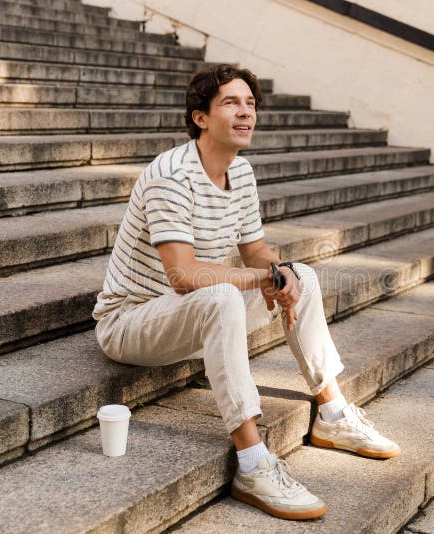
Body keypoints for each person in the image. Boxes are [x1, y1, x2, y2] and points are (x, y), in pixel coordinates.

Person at [93, 64, 400, 520]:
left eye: (251, 104)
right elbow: (184, 276)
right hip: (132, 323)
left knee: (300, 275)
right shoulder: (171, 175)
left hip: (191, 315)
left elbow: (255, 251)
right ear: (200, 118)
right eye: (231, 103)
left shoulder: (241, 171)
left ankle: (333, 415)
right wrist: (261, 280)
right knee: (221, 295)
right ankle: (253, 464)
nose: (246, 113)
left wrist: (279, 276)